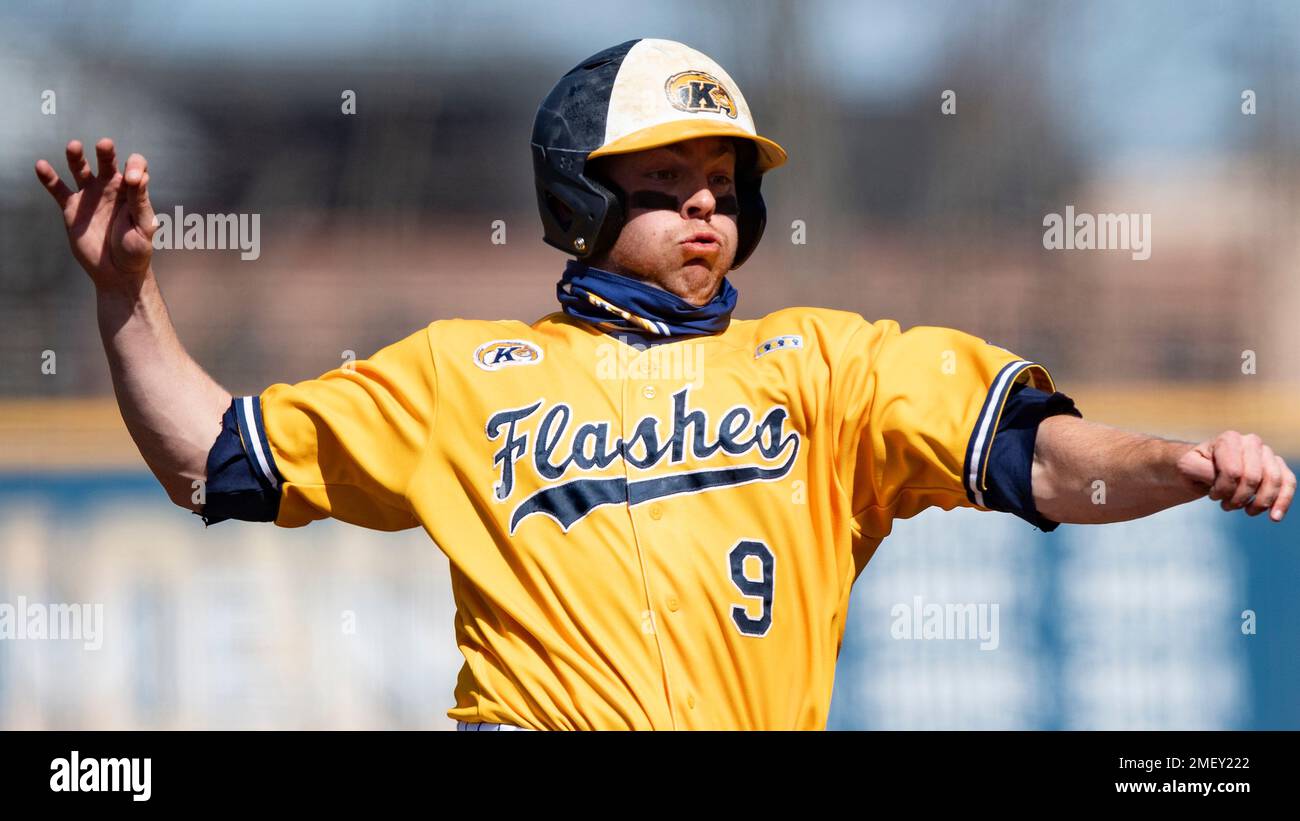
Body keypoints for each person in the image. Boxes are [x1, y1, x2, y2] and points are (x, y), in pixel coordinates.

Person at [34, 38, 1294, 730]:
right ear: (582, 194)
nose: (705, 199)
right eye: (665, 174)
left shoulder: (832, 366)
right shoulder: (458, 375)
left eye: (723, 177)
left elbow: (1044, 459)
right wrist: (122, 295)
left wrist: (1179, 463)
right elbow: (212, 457)